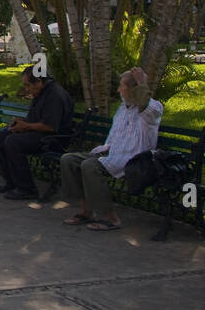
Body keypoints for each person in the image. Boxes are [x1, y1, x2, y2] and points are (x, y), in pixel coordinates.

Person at [60, 68, 161, 231]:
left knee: (90, 166)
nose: (118, 90)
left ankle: (110, 218)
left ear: (133, 89)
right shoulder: (123, 109)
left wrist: (142, 83)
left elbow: (144, 105)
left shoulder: (153, 109)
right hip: (111, 153)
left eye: (122, 86)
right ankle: (86, 211)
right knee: (69, 160)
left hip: (133, 159)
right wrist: (102, 151)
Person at [0, 66, 75, 199]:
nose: (27, 89)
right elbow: (35, 118)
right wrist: (19, 123)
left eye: (28, 85)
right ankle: (11, 182)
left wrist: (26, 126)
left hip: (54, 139)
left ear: (38, 81)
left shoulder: (54, 95)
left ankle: (27, 189)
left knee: (13, 142)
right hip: (38, 132)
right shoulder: (40, 92)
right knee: (1, 136)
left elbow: (50, 126)